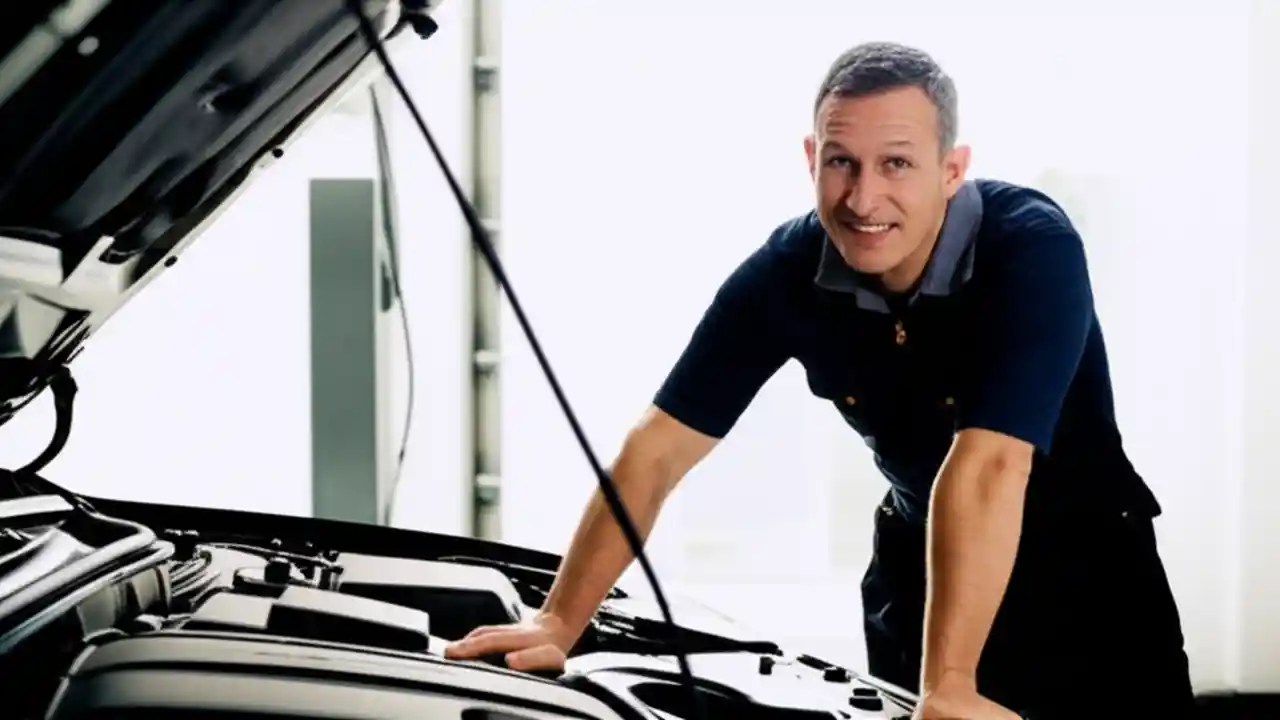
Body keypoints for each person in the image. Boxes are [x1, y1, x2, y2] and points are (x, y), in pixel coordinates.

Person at [446, 41, 1195, 719]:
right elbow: (656, 452)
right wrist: (557, 621)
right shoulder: (784, 274)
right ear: (812, 157)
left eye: (897, 163)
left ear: (953, 168)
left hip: (1089, 578)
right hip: (920, 580)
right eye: (842, 162)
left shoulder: (1033, 245)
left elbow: (989, 468)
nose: (864, 199)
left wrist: (950, 688)